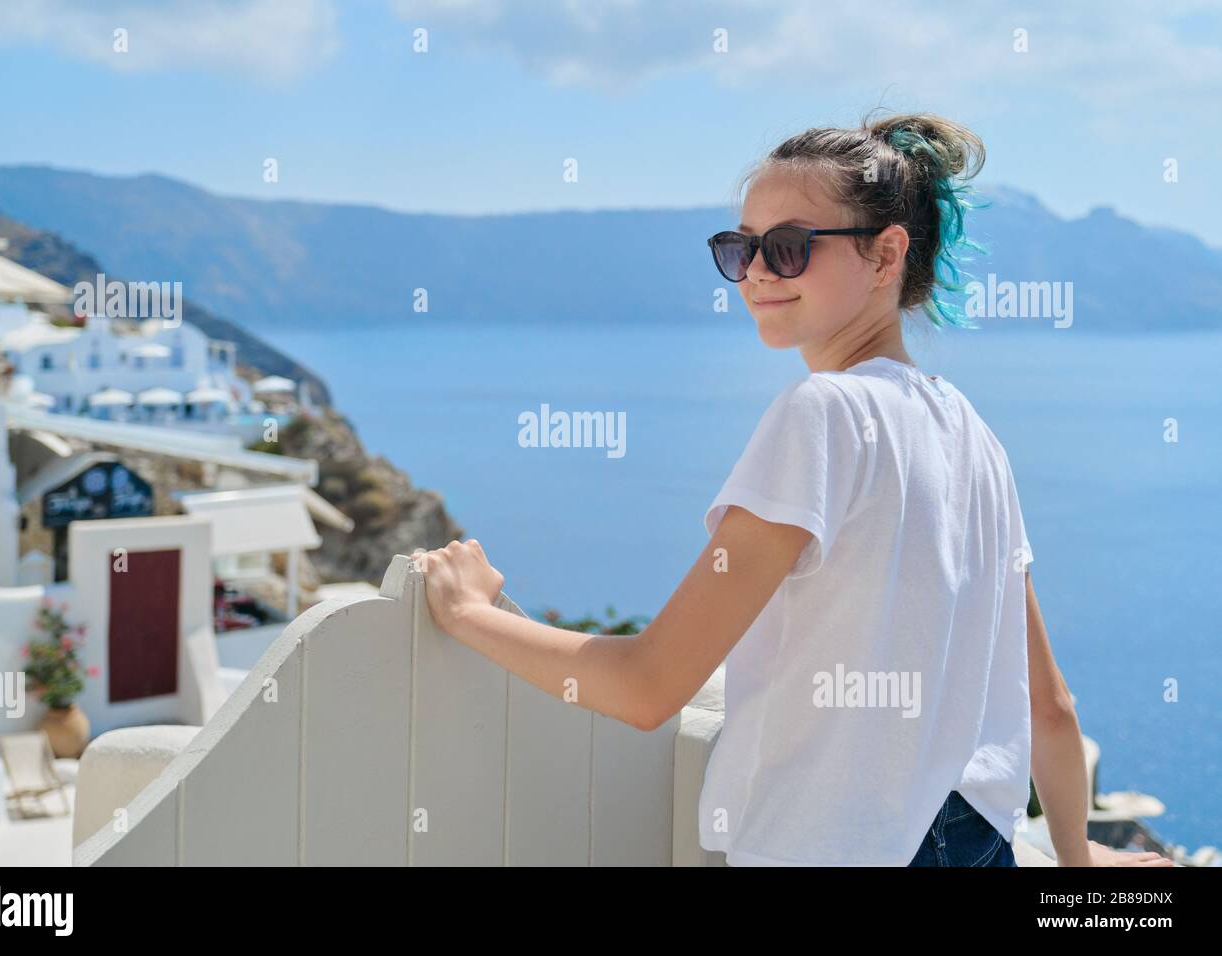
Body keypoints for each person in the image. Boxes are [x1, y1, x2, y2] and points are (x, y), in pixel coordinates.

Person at [415, 110, 1174, 868]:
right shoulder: (972, 432)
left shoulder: (824, 414)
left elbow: (649, 688)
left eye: (786, 248)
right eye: (738, 248)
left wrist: (467, 611)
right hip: (977, 843)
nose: (754, 273)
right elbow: (1048, 703)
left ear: (885, 257)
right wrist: (1079, 859)